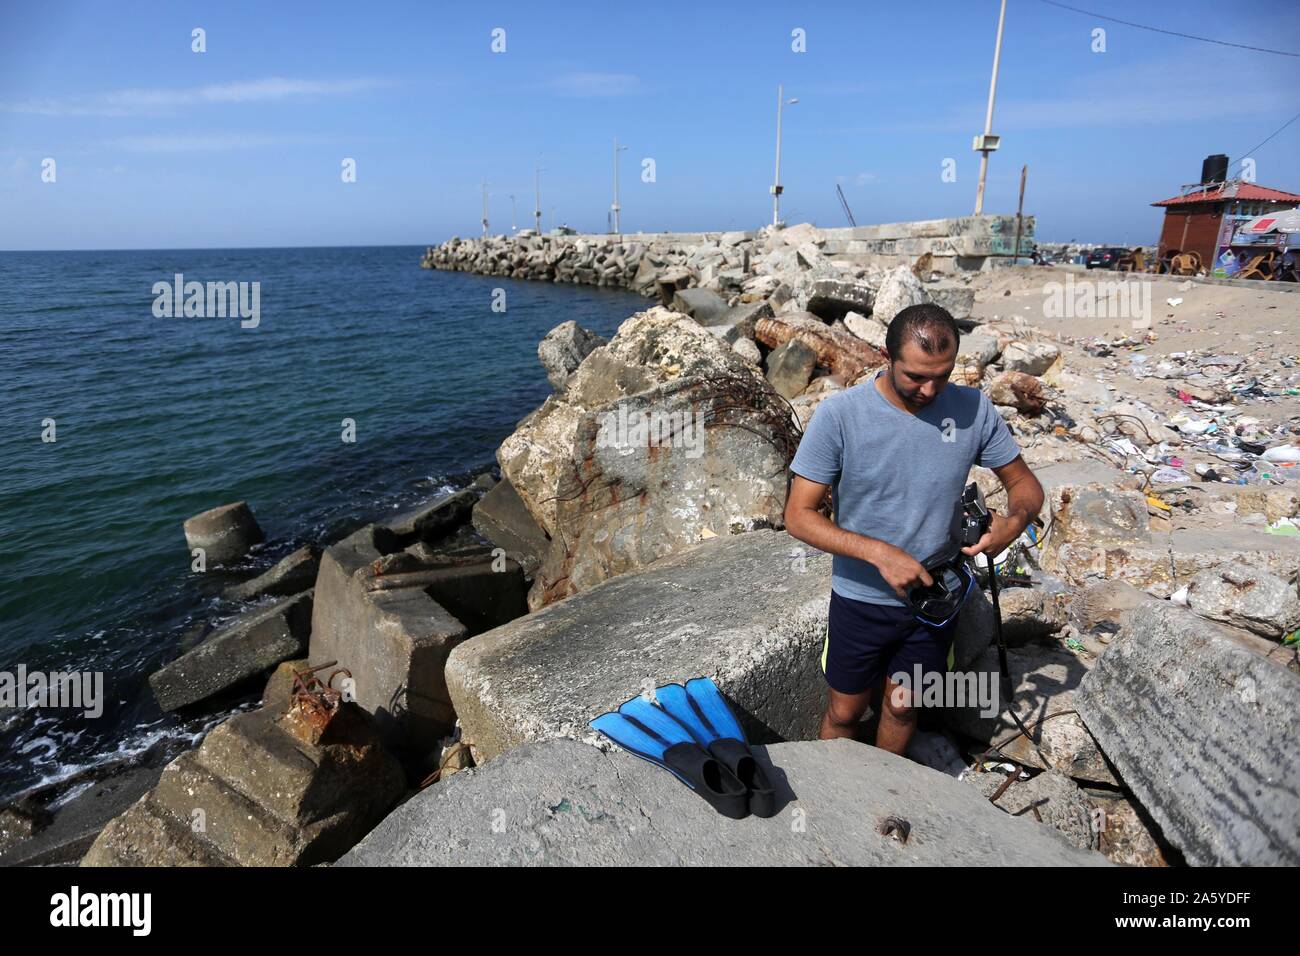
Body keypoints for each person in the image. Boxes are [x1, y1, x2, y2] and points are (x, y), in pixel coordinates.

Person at [783, 304, 1045, 756]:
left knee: (904, 708)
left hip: (935, 599)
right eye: (916, 377)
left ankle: (887, 790)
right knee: (844, 712)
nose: (930, 390)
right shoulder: (840, 415)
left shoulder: (973, 409)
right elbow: (798, 516)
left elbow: (1026, 486)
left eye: (943, 376)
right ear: (887, 357)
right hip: (860, 599)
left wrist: (1012, 523)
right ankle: (835, 790)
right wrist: (879, 553)